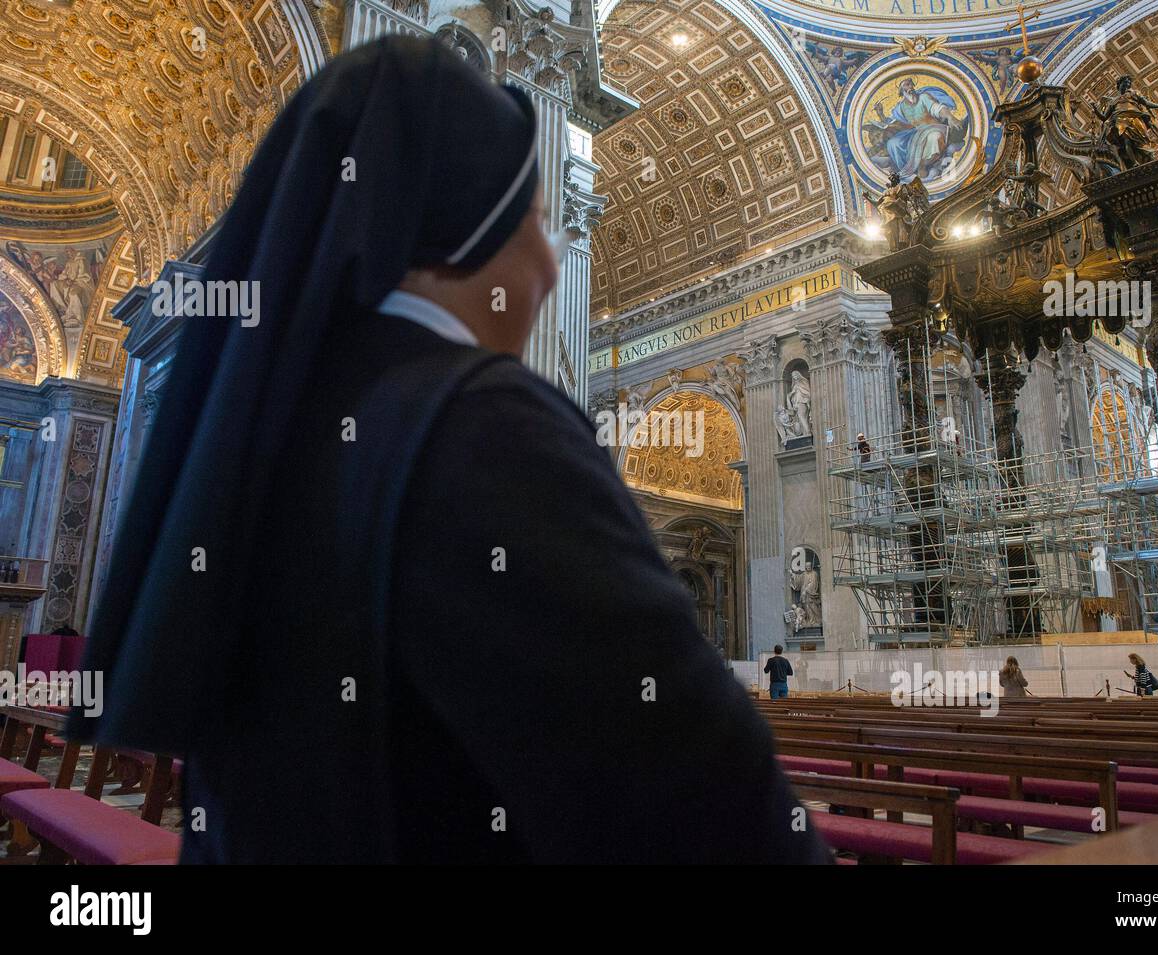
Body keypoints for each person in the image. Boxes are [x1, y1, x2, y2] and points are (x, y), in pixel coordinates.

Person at [65, 37, 826, 865]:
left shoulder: (266, 431)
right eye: (538, 221)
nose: (555, 258)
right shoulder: (488, 427)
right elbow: (715, 810)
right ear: (474, 234)